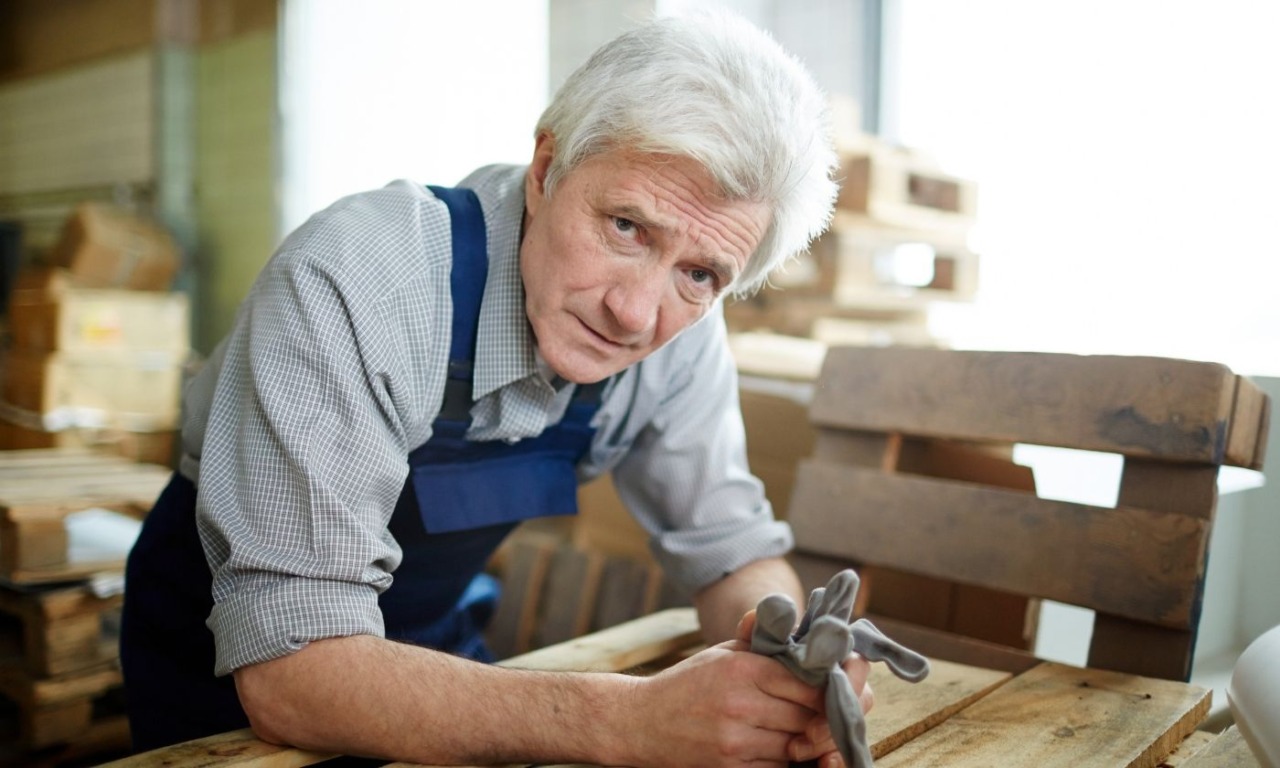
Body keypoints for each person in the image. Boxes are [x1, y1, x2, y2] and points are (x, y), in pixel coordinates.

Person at [120, 10, 872, 768]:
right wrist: (625, 721)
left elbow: (732, 554)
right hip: (232, 686)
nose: (635, 314)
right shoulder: (359, 282)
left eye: (700, 274)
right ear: (547, 169)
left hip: (437, 659)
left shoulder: (680, 340)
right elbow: (291, 676)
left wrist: (789, 664)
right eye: (625, 227)